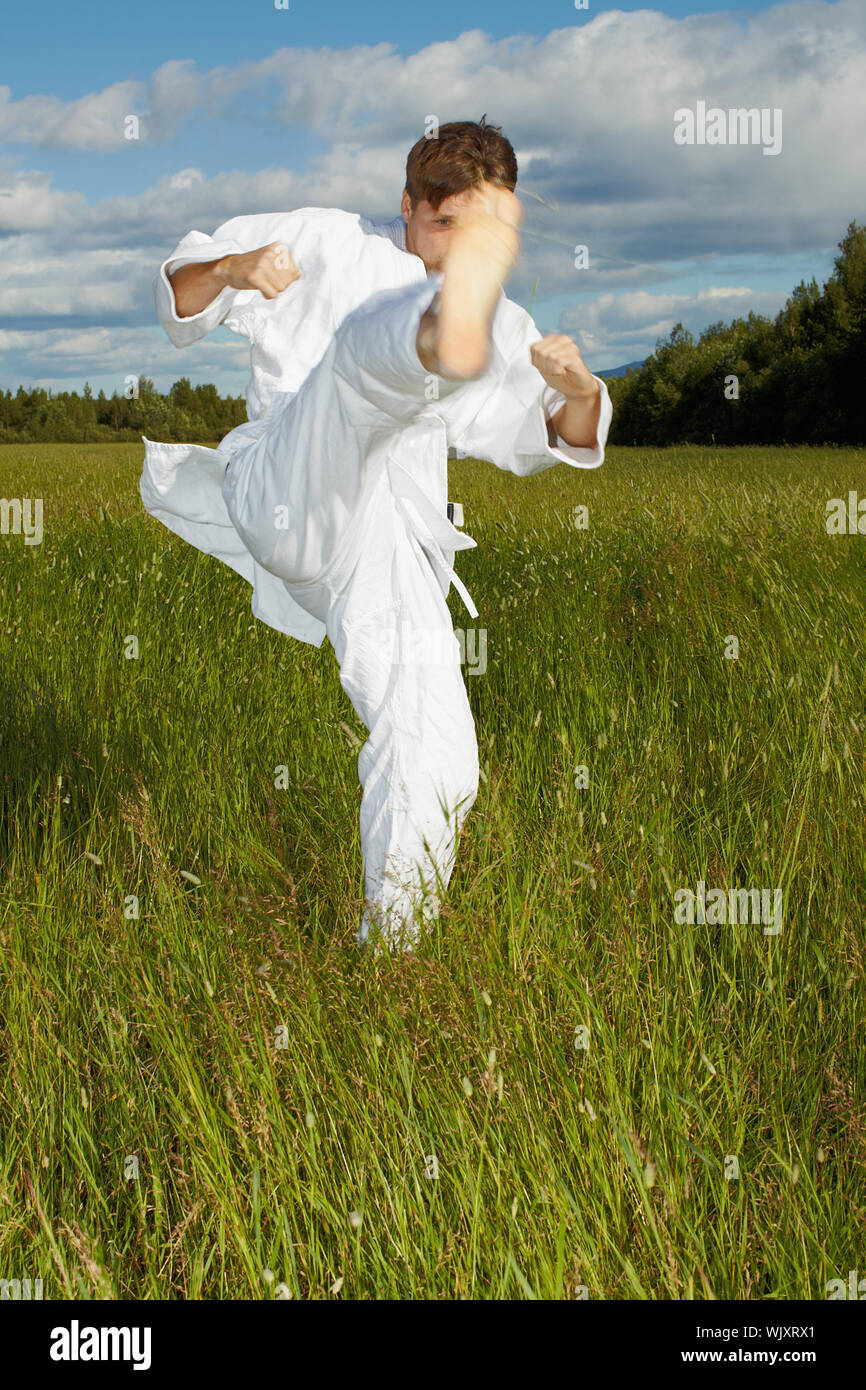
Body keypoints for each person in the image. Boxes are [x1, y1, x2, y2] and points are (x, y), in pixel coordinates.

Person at [139, 117, 613, 952]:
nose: (448, 245)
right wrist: (233, 268)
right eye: (443, 226)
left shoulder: (509, 326)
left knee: (440, 754)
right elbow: (178, 297)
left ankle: (389, 954)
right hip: (289, 485)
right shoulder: (321, 238)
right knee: (357, 368)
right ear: (406, 203)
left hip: (389, 544)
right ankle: (427, 335)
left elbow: (548, 440)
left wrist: (578, 391)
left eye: (477, 232)